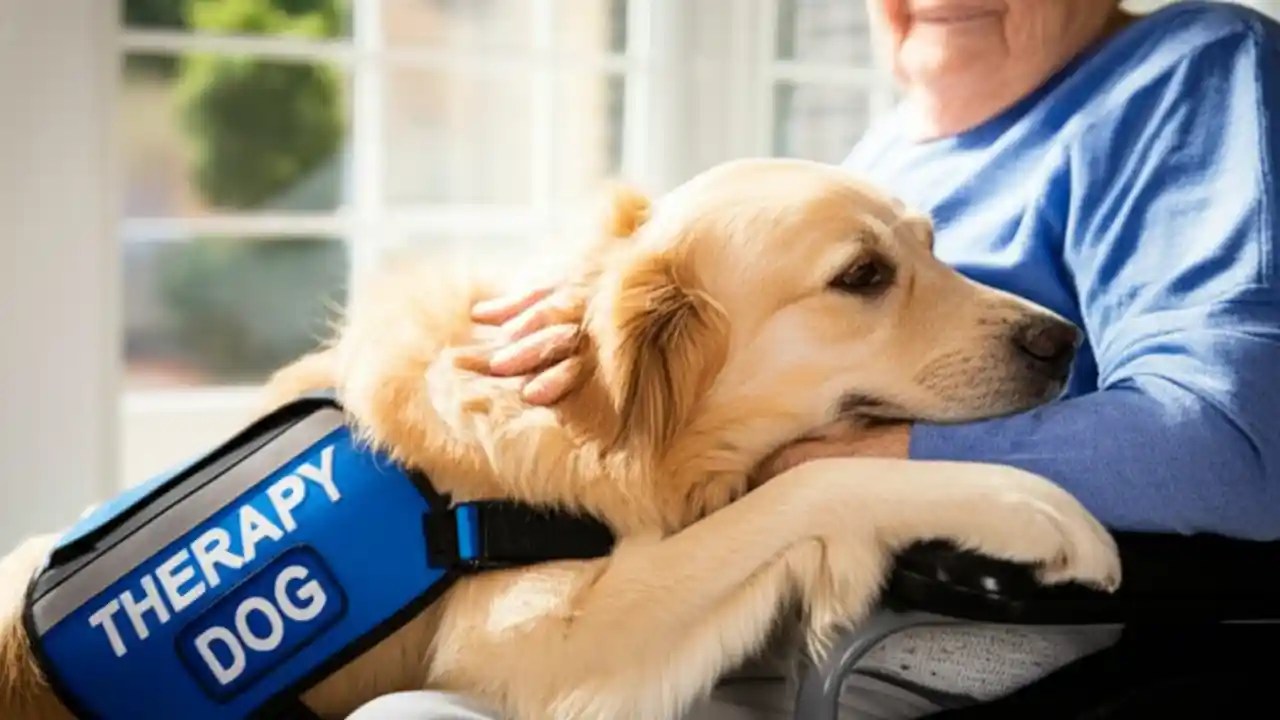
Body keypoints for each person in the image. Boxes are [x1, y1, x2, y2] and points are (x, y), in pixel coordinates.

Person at [349, 0, 1280, 717]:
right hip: (759, 619)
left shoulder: (1190, 74)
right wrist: (587, 339)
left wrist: (839, 468)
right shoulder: (895, 145)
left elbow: (1239, 444)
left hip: (913, 649)